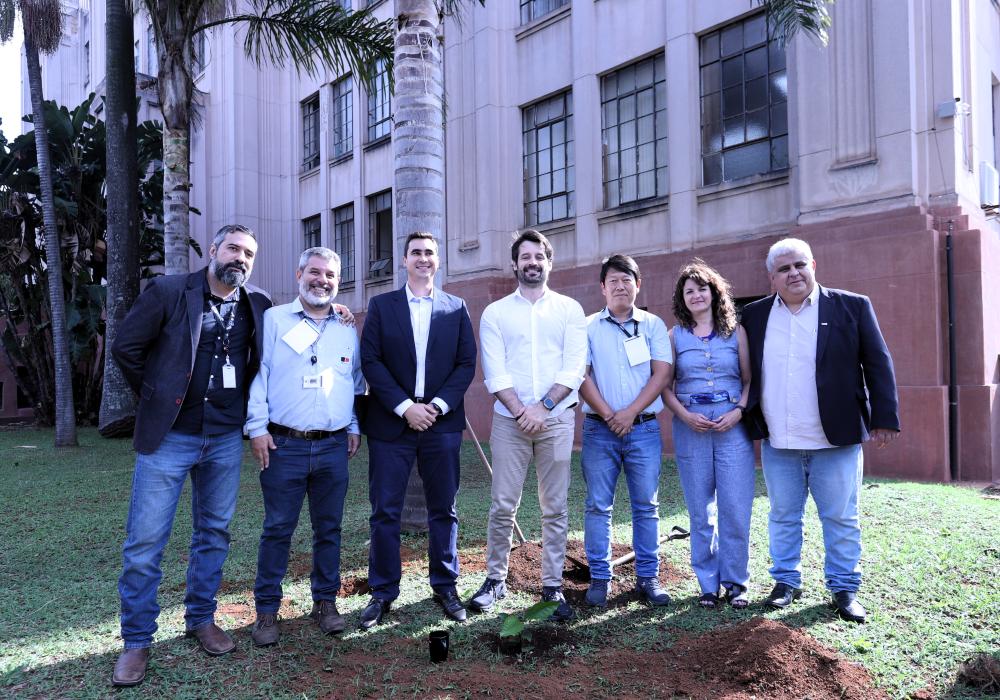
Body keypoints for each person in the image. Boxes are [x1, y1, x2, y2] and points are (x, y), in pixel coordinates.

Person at [110, 224, 270, 686]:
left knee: (214, 535)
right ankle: (137, 641)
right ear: (215, 250)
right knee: (144, 544)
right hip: (170, 439)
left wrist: (337, 313)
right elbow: (126, 347)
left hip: (223, 440)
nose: (240, 258)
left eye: (249, 254)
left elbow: (276, 347)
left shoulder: (257, 304)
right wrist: (158, 395)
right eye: (234, 248)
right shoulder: (168, 290)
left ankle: (200, 618)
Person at [741, 238, 899, 623]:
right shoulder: (755, 315)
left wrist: (884, 416)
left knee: (841, 516)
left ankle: (844, 589)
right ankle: (785, 582)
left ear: (813, 265)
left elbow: (877, 362)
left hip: (836, 438)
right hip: (780, 439)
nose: (793, 273)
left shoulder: (852, 306)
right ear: (771, 276)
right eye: (784, 268)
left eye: (799, 265)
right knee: (782, 514)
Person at [245, 247, 365, 646]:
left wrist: (352, 424)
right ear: (299, 274)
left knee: (328, 529)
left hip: (332, 447)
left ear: (338, 281)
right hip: (283, 445)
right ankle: (266, 611)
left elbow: (353, 379)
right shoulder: (275, 319)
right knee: (278, 529)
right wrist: (257, 428)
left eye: (331, 276)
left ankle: (325, 602)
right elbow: (259, 374)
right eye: (315, 273)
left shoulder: (347, 327)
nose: (322, 281)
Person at [358, 232, 477, 628]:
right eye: (415, 253)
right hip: (392, 423)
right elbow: (371, 361)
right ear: (404, 260)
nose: (423, 259)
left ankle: (445, 585)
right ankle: (383, 592)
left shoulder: (456, 308)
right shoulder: (381, 306)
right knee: (385, 512)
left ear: (438, 261)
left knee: (444, 509)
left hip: (441, 424)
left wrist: (437, 407)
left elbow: (466, 365)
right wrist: (407, 407)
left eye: (429, 253)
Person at [471, 229, 587, 622]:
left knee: (554, 507)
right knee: (503, 504)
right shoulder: (497, 312)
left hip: (556, 422)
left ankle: (552, 587)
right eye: (525, 256)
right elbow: (494, 369)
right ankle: (495, 579)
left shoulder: (569, 310)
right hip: (509, 423)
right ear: (515, 264)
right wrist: (523, 410)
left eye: (539, 256)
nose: (532, 262)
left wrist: (544, 407)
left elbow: (575, 367)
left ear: (549, 262)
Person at [578, 254, 672, 608]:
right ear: (602, 287)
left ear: (638, 284)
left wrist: (630, 413)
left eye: (627, 279)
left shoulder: (652, 325)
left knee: (646, 506)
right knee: (598, 506)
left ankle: (648, 578)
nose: (620, 285)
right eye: (613, 280)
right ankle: (600, 578)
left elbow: (661, 374)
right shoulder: (586, 326)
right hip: (599, 431)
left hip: (644, 429)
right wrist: (610, 415)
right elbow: (581, 376)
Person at [661, 260, 755, 610]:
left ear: (714, 293)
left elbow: (747, 380)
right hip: (692, 429)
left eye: (702, 288)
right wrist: (684, 416)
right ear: (681, 299)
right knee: (700, 511)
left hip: (732, 427)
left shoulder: (736, 332)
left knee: (735, 507)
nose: (696, 295)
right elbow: (665, 386)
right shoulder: (674, 336)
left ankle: (736, 583)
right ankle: (707, 585)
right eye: (689, 291)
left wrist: (738, 412)